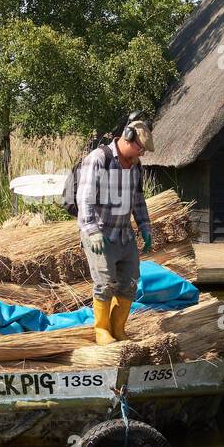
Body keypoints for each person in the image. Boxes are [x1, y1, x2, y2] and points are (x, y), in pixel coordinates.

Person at [76, 118, 153, 345]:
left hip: (124, 234)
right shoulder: (99, 159)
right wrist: (91, 229)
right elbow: (85, 198)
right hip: (100, 233)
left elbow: (138, 199)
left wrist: (145, 227)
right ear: (128, 137)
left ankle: (118, 329)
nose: (142, 153)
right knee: (105, 283)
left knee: (130, 282)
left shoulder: (135, 165)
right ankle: (102, 330)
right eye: (140, 148)